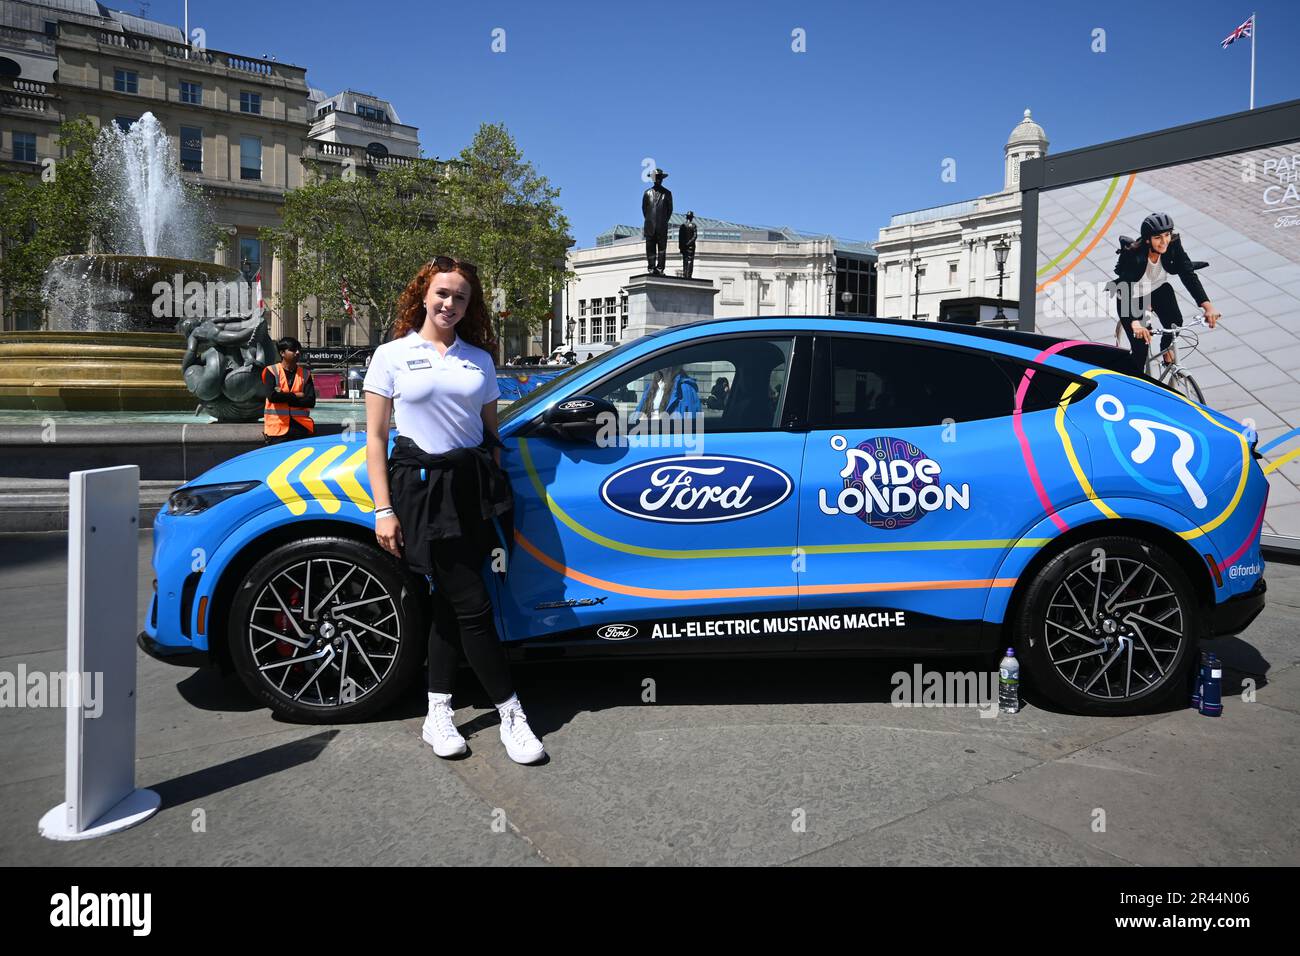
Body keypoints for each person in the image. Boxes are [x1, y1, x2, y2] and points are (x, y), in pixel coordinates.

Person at [363, 255, 545, 765]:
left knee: (448, 604)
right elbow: (376, 440)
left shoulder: (480, 360)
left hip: (469, 491)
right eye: (442, 293)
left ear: (470, 305)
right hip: (419, 491)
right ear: (423, 294)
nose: (450, 303)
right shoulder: (391, 356)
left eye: (460, 296)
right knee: (474, 606)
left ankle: (437, 711)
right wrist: (384, 509)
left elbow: (490, 436)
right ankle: (512, 713)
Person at [1112, 213, 1220, 375]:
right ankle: (1132, 384)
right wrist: (1134, 322)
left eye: (1167, 235)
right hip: (1132, 297)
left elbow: (1187, 274)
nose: (1164, 242)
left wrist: (1208, 306)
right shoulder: (1135, 256)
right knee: (1141, 347)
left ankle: (1166, 350)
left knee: (1175, 323)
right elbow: (1124, 288)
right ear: (1148, 239)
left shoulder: (1173, 245)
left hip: (1159, 289)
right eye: (1158, 237)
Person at [261, 336, 315, 444]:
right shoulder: (271, 371)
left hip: (301, 427)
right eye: (293, 350)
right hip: (277, 429)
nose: (298, 352)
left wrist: (283, 396)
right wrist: (297, 395)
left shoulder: (305, 374)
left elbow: (310, 401)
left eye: (299, 349)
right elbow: (272, 397)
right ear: (282, 353)